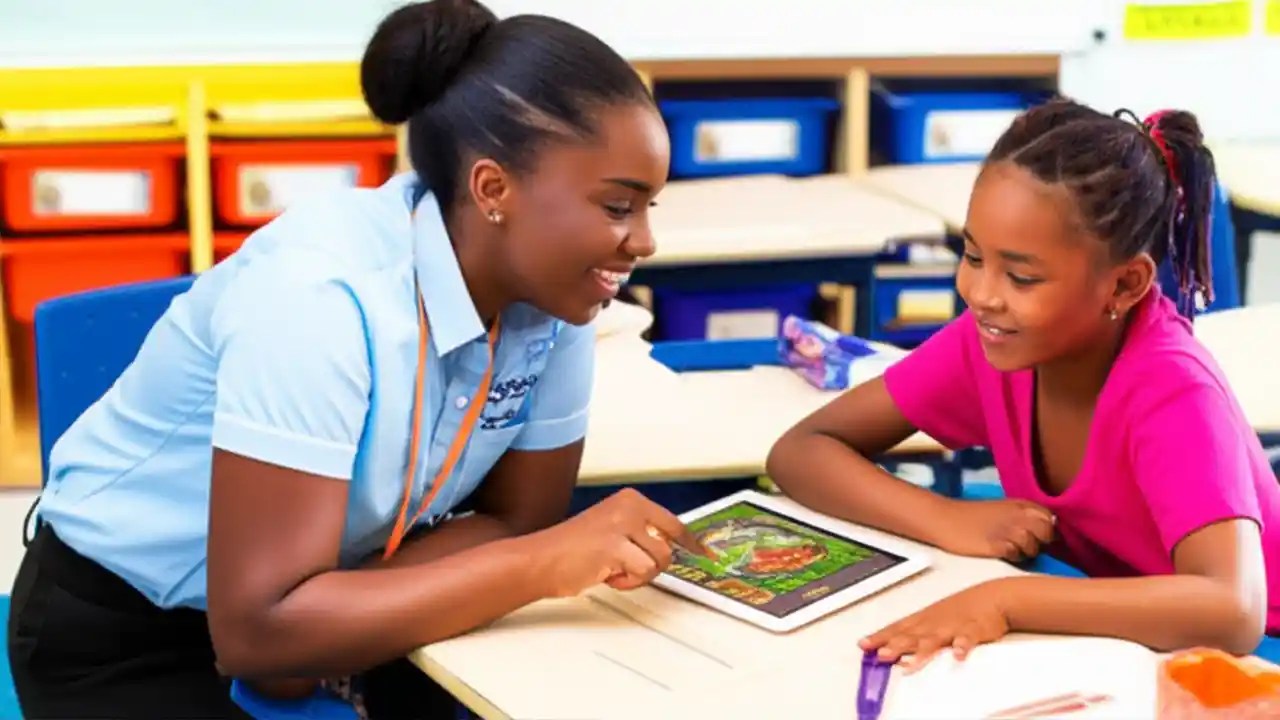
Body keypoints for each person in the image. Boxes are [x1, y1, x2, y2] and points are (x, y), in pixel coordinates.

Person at [6, 1, 705, 717]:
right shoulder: (319, 296)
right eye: (618, 206)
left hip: (330, 594)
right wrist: (538, 565)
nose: (643, 241)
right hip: (124, 634)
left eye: (649, 206)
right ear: (493, 189)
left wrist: (333, 618)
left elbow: (520, 517)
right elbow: (257, 637)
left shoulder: (555, 297)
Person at [767, 98, 1280, 669]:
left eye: (1021, 276)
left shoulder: (1172, 391)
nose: (983, 294)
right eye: (972, 255)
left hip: (1253, 657)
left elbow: (1233, 609)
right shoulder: (990, 342)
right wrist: (946, 518)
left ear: (1125, 284)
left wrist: (1006, 600)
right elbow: (801, 452)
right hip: (1128, 636)